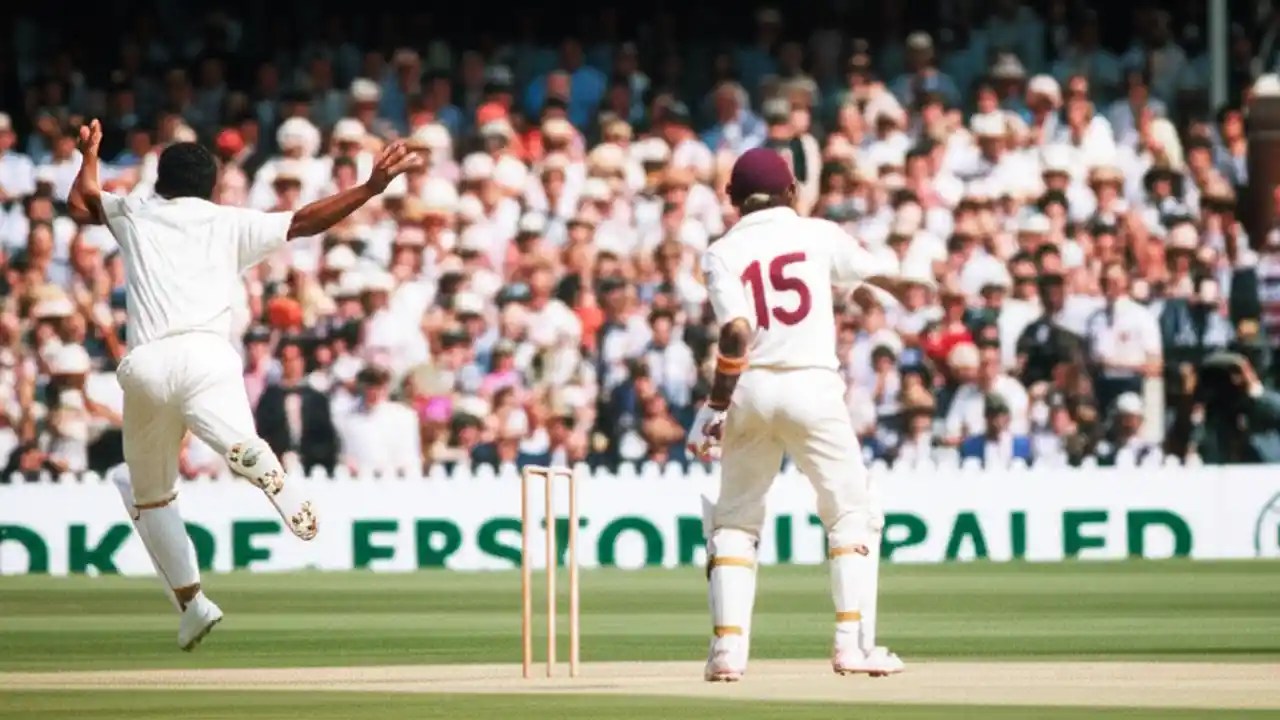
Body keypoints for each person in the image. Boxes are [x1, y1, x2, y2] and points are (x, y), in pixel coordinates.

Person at [66, 118, 422, 651]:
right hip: (210, 356)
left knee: (152, 498)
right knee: (232, 432)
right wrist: (371, 187)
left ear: (159, 182)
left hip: (147, 362)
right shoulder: (230, 222)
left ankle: (192, 604)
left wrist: (89, 153)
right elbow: (304, 221)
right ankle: (250, 454)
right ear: (210, 186)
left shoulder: (136, 211)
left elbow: (80, 204)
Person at [687, 147, 910, 681]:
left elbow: (736, 331)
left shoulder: (723, 251)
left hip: (751, 389)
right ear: (791, 192)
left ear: (732, 199)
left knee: (735, 520)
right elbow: (882, 273)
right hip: (812, 386)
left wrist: (714, 405)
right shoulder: (817, 233)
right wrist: (909, 283)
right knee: (850, 512)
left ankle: (727, 652)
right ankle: (851, 644)